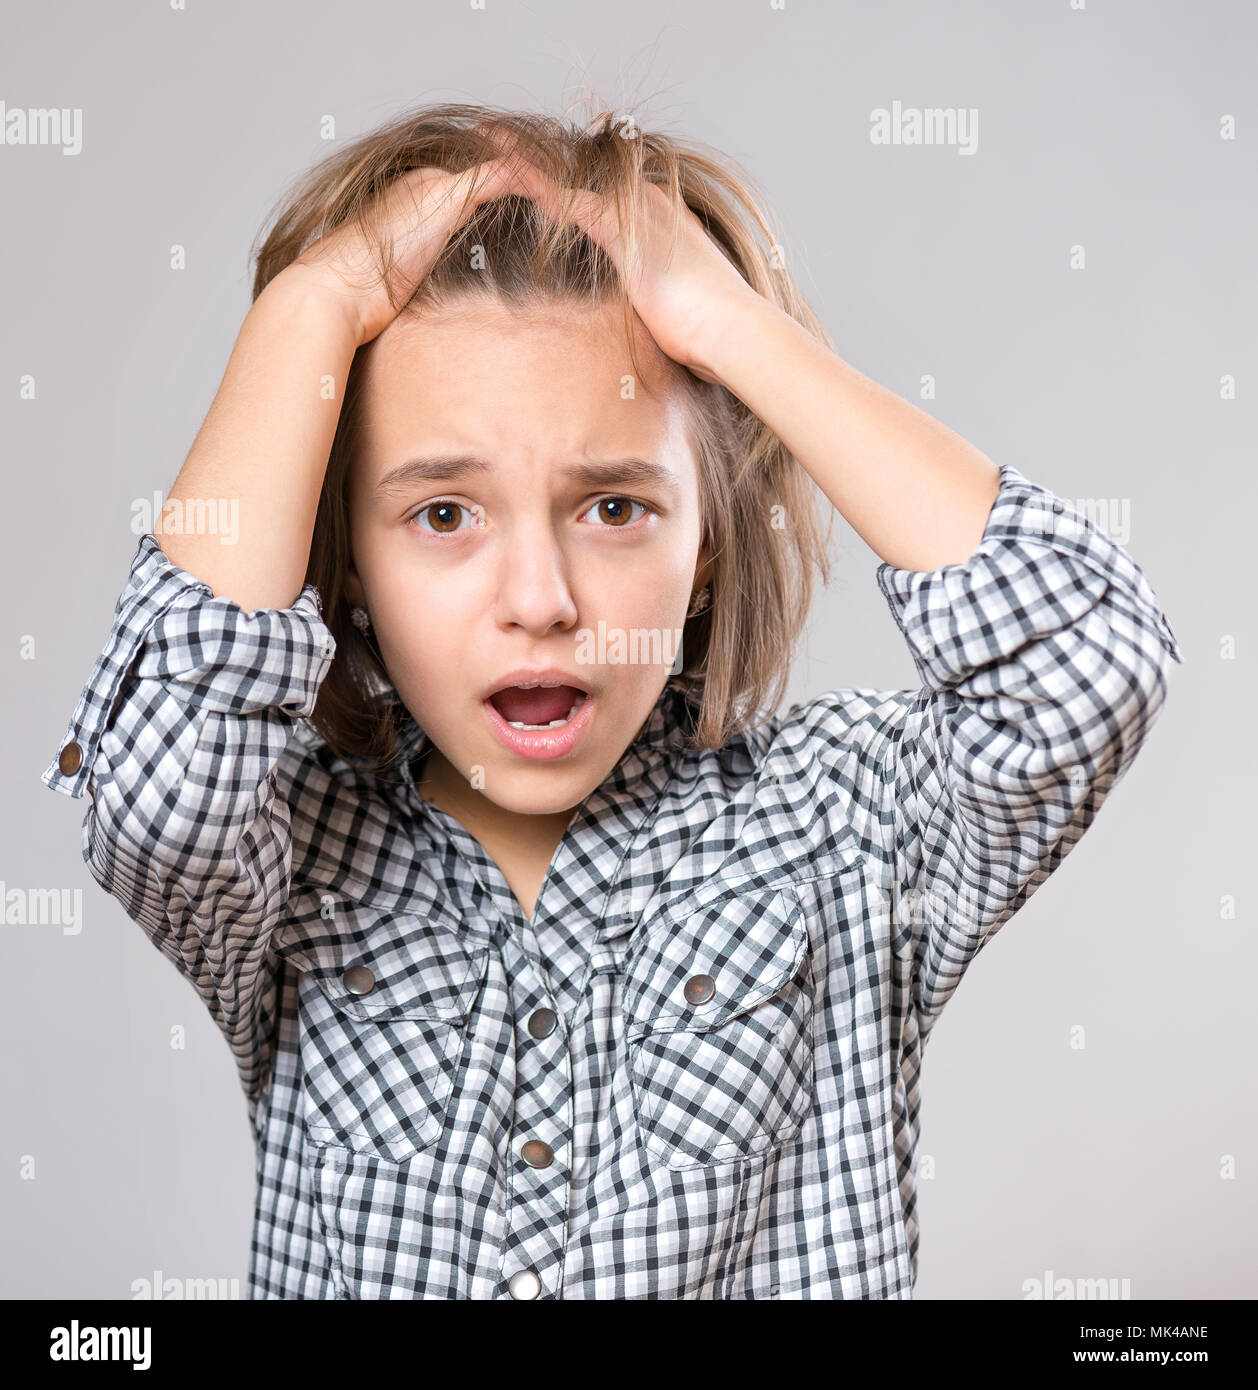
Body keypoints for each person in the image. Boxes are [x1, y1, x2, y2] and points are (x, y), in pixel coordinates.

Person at [41, 102, 1182, 1299]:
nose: (538, 599)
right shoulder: (289, 856)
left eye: (614, 506)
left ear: (702, 551)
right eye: (443, 514)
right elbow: (159, 784)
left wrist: (734, 333)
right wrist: (310, 308)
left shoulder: (842, 826)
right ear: (348, 569)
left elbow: (1086, 666)